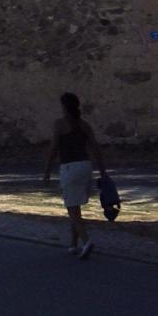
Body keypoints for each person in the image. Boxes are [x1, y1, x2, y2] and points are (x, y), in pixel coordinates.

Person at [43, 92, 106, 259]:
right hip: (85, 166)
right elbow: (95, 148)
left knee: (71, 208)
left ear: (64, 106)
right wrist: (103, 170)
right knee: (76, 204)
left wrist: (47, 170)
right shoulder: (84, 125)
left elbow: (53, 148)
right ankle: (73, 244)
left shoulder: (60, 124)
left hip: (70, 167)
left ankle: (86, 241)